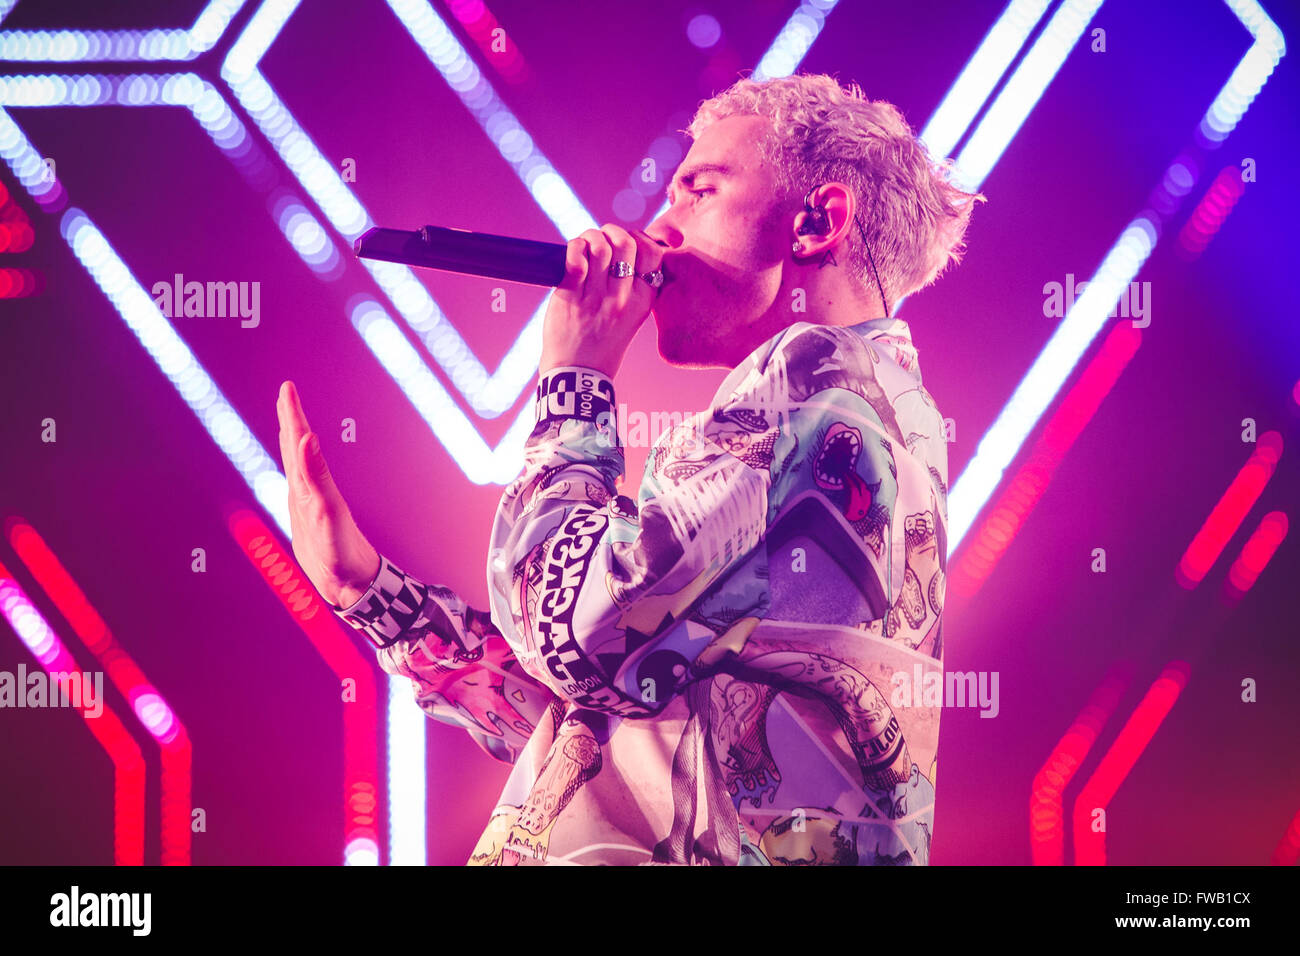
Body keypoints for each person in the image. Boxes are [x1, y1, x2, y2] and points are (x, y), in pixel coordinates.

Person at [276, 72, 984, 865]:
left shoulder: (820, 381)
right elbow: (614, 717)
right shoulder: (873, 413)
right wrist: (377, 598)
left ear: (816, 222)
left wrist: (574, 379)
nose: (659, 229)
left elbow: (576, 633)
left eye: (699, 190)